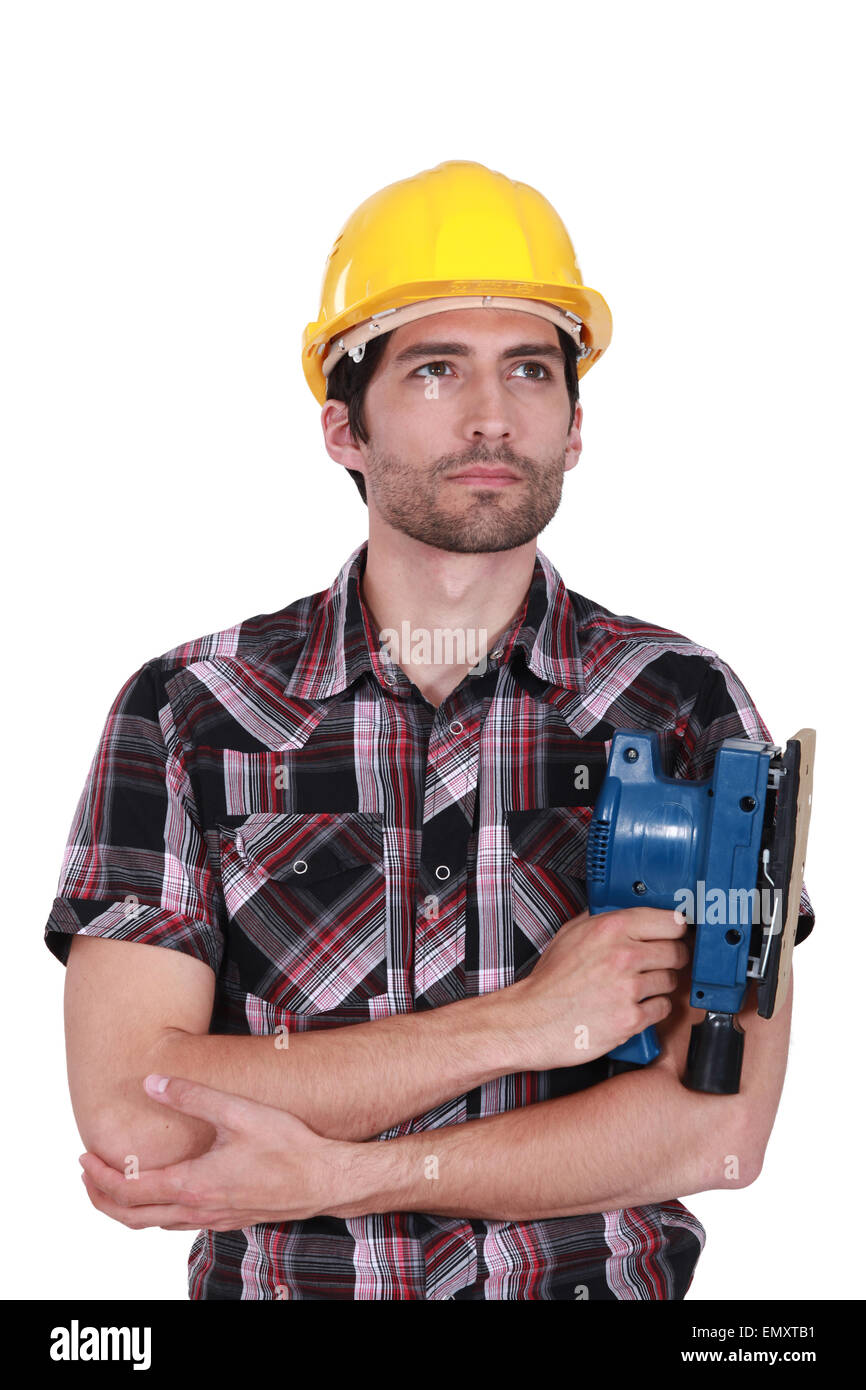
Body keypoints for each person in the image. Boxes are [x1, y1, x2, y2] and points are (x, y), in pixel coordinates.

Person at [45, 159, 815, 1301]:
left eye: (530, 370)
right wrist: (520, 1025)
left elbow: (716, 1133)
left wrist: (351, 1172)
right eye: (435, 369)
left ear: (574, 422)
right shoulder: (187, 710)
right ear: (340, 426)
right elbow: (136, 1114)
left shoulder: (685, 706)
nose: (492, 415)